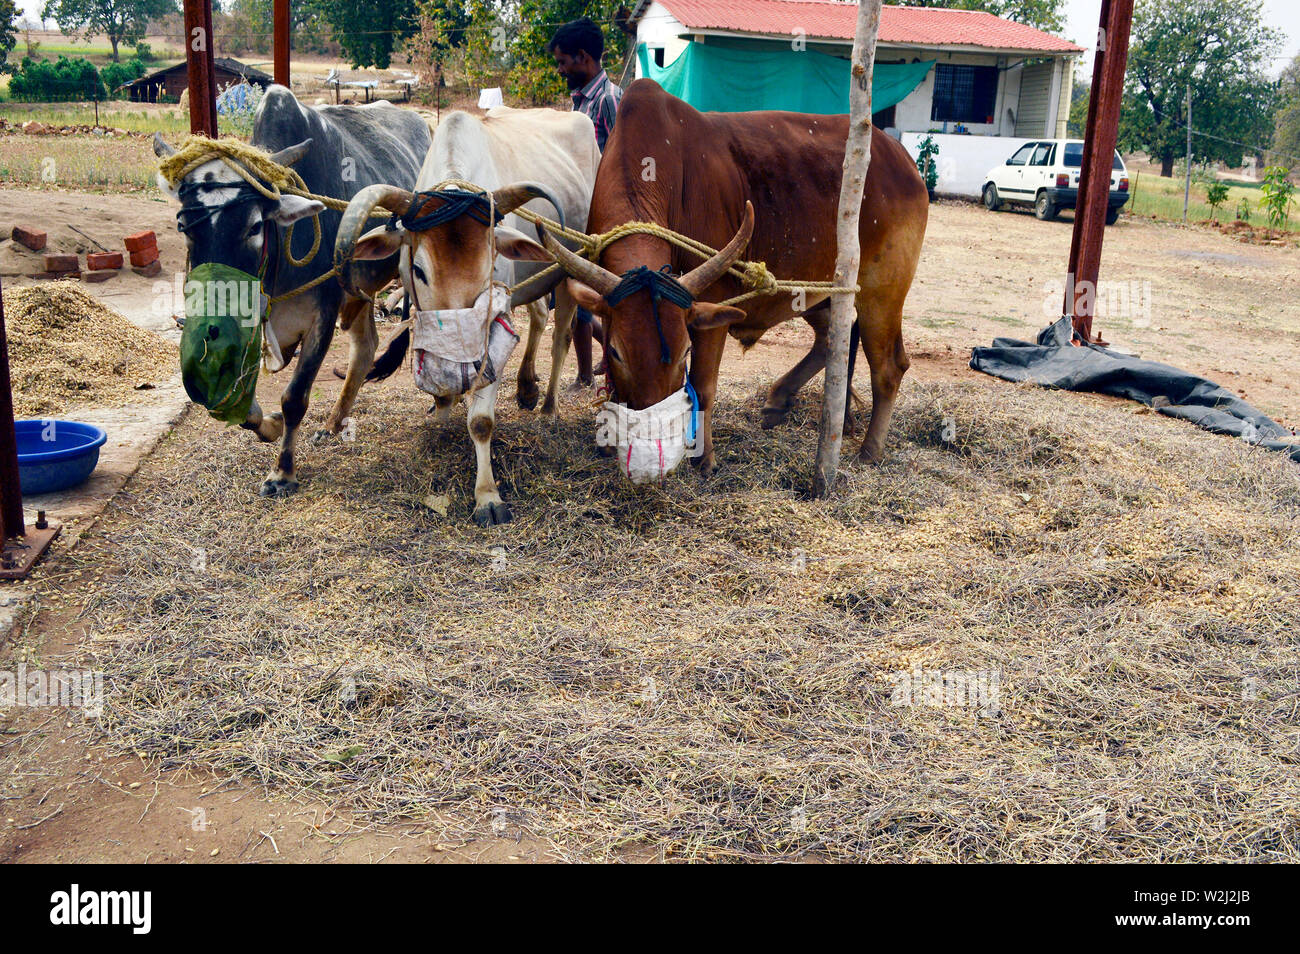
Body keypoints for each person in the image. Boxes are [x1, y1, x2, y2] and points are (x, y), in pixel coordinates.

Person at [549, 16, 622, 387]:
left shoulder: (609, 101)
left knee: (591, 297)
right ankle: (586, 371)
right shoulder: (579, 102)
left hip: (602, 214)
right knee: (571, 296)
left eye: (564, 62)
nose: (561, 70)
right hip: (579, 213)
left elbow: (619, 160)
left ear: (583, 57)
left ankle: (599, 367)